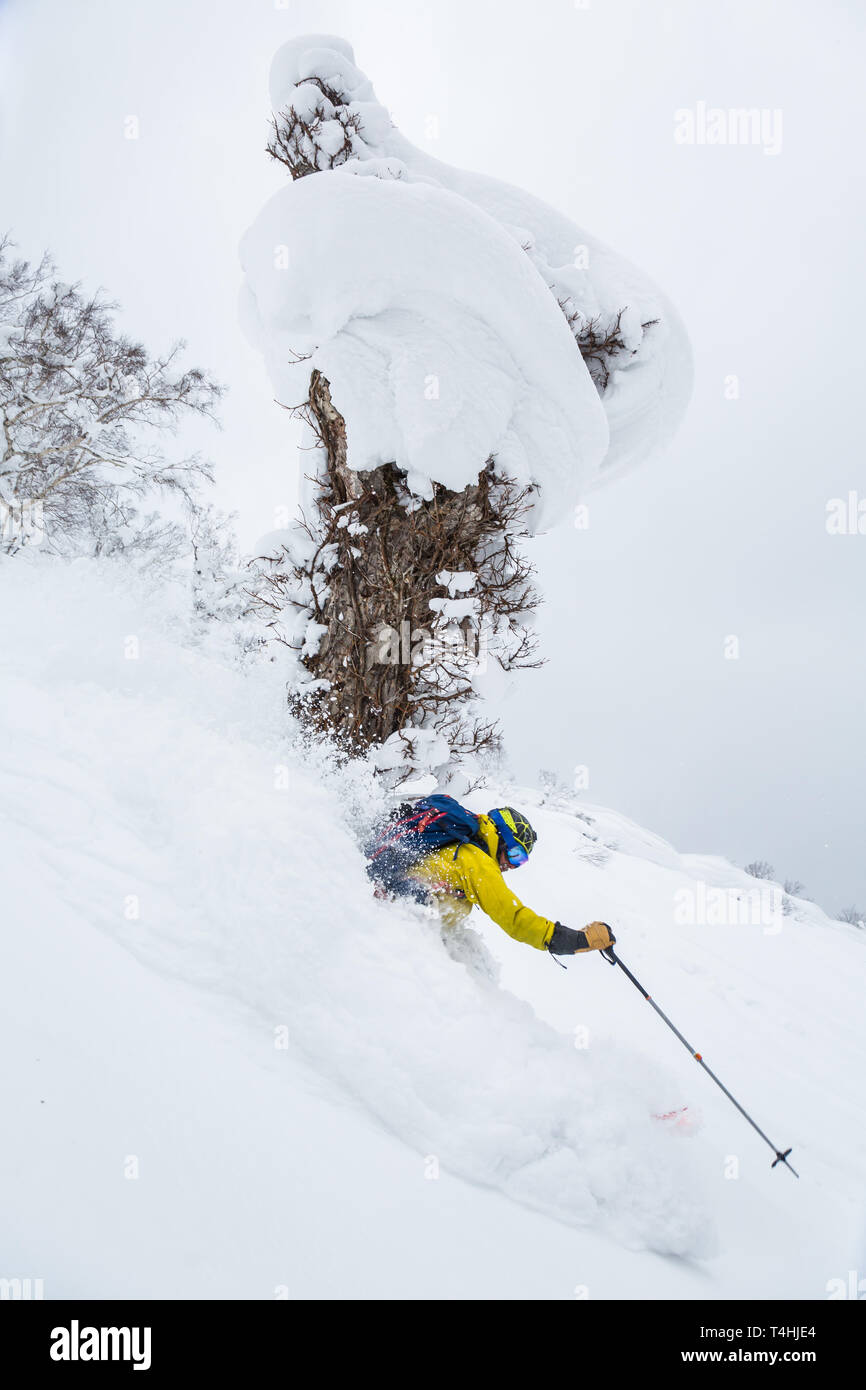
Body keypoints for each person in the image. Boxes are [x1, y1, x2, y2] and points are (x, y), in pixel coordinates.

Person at [399, 803, 615, 957]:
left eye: (520, 862)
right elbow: (513, 918)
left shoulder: (466, 853)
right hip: (403, 923)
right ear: (502, 838)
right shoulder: (478, 861)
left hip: (409, 919)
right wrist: (577, 940)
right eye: (515, 855)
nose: (511, 866)